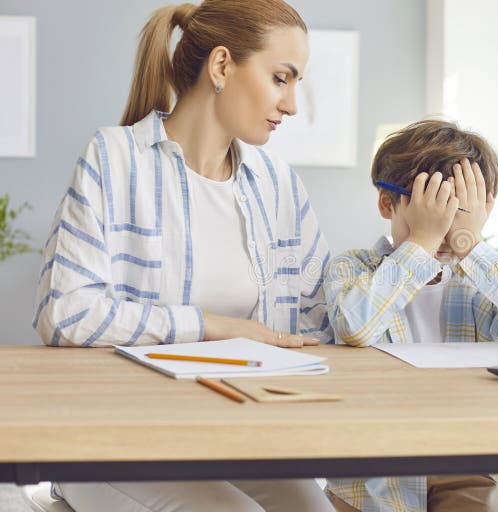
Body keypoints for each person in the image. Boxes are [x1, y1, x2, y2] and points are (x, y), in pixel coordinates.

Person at [32, 1, 334, 510]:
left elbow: (321, 319)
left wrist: (414, 250)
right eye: (282, 78)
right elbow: (65, 313)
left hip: (237, 435)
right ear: (221, 66)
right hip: (112, 439)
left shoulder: (277, 184)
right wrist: (212, 326)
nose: (292, 105)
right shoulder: (114, 158)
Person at [323, 120, 498, 512]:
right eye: (431, 214)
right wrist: (421, 242)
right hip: (377, 476)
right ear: (387, 203)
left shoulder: (483, 285)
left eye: (456, 213)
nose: (443, 229)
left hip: (469, 463)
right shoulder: (353, 268)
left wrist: (470, 245)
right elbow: (355, 325)